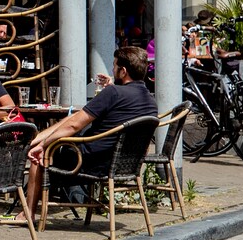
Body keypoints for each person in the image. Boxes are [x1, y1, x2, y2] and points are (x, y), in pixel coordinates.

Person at [21, 46, 158, 222]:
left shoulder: (113, 93)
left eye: (115, 66)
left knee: (41, 155)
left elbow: (74, 126)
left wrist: (43, 144)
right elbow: (75, 120)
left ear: (123, 71)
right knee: (69, 122)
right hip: (123, 164)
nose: (112, 69)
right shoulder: (150, 100)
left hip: (88, 162)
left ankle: (27, 214)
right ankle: (38, 138)